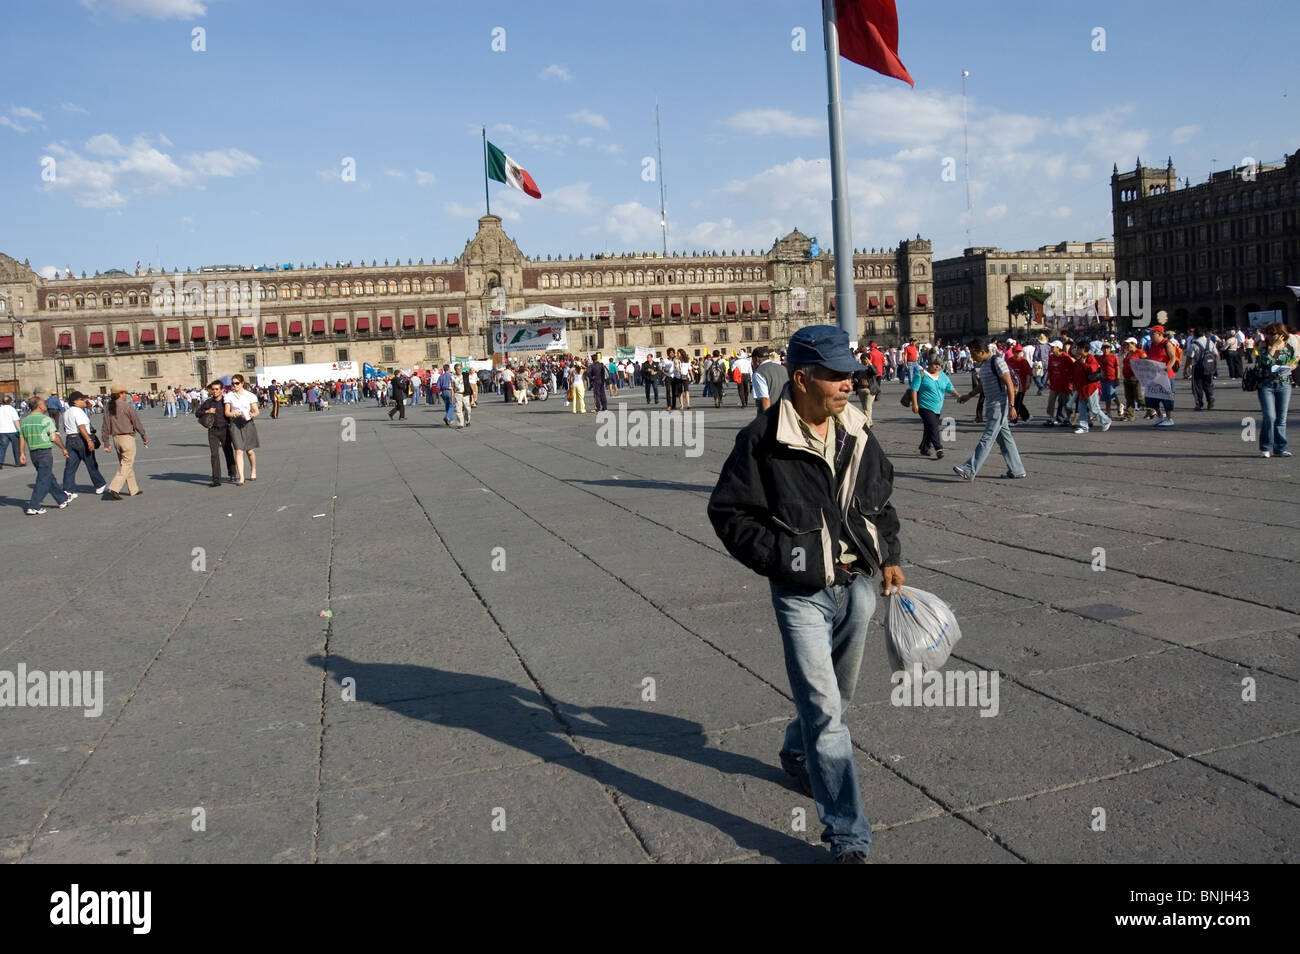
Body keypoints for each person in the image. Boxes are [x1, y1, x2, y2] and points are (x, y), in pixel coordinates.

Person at [707, 324, 905, 864]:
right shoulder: (762, 439)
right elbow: (729, 512)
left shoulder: (857, 429)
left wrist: (888, 554)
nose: (849, 383)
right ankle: (848, 835)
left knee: (835, 701)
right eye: (837, 375)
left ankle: (797, 754)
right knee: (825, 710)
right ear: (802, 379)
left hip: (858, 585)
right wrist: (787, 559)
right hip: (801, 593)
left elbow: (879, 498)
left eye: (851, 373)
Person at [953, 338, 1027, 480]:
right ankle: (1017, 470)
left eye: (974, 354)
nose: (972, 357)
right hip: (992, 405)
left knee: (987, 437)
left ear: (981, 351)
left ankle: (969, 469)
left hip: (999, 406)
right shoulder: (985, 365)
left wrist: (1012, 406)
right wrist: (968, 396)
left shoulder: (997, 362)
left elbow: (1009, 384)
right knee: (1005, 439)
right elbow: (982, 386)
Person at [17, 395, 70, 515]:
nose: (46, 406)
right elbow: (54, 436)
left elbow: (21, 438)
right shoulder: (45, 419)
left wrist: (21, 453)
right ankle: (34, 505)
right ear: (39, 406)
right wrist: (63, 448)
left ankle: (61, 499)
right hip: (44, 452)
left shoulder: (25, 421)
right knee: (43, 479)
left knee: (47, 476)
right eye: (44, 404)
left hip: (33, 453)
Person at [1257, 322, 1297, 458]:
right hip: (1266, 385)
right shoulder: (1263, 347)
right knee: (1269, 417)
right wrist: (1273, 347)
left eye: (1273, 333)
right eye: (1268, 333)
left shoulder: (1288, 348)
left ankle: (1281, 448)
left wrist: (1291, 367)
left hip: (1284, 385)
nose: (1269, 336)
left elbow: (1294, 361)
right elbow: (1265, 362)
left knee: (1281, 419)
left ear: (1281, 334)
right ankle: (1265, 447)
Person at [101, 387, 149, 500]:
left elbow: (105, 426)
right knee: (127, 464)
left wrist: (106, 442)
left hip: (116, 439)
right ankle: (114, 487)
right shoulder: (127, 406)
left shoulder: (108, 407)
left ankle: (133, 489)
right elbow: (136, 423)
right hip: (127, 438)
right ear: (121, 394)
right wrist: (144, 436)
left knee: (126, 464)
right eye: (124, 393)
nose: (125, 395)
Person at [60, 391, 107, 500]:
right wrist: (88, 440)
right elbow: (81, 427)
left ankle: (68, 490)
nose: (84, 401)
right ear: (75, 402)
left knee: (70, 466)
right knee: (91, 462)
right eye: (82, 399)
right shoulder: (78, 412)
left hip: (70, 438)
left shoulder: (66, 413)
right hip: (81, 438)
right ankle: (100, 485)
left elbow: (64, 428)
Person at [910, 350, 956, 458]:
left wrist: (959, 396)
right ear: (929, 364)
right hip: (924, 406)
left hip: (937, 407)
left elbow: (950, 387)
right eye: (935, 364)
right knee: (933, 426)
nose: (937, 367)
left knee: (928, 427)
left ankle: (924, 448)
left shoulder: (942, 375)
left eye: (939, 365)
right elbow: (914, 389)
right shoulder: (921, 374)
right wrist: (915, 404)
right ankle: (938, 448)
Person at [198, 380, 237, 486]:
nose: (214, 391)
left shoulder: (226, 401)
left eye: (217, 389)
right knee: (214, 454)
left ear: (221, 390)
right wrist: (207, 411)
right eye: (213, 389)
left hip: (225, 430)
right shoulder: (208, 402)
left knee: (228, 452)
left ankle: (232, 473)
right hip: (213, 431)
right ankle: (216, 479)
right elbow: (198, 413)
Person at [223, 373, 260, 485]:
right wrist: (233, 415)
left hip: (247, 422)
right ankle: (241, 477)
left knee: (249, 451)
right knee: (238, 450)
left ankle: (253, 469)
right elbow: (227, 412)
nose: (235, 385)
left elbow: (257, 411)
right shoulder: (229, 396)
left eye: (237, 383)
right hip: (235, 423)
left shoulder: (249, 395)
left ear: (242, 383)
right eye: (233, 383)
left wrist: (251, 414)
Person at [1071, 342, 1111, 434]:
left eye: (1078, 348)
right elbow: (1075, 372)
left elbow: (1093, 369)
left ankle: (1106, 421)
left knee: (1094, 408)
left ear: (1083, 349)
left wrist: (1084, 364)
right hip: (1082, 388)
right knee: (1081, 408)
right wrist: (1074, 385)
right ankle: (1084, 427)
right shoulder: (1080, 359)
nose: (1077, 350)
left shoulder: (1090, 358)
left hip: (1091, 388)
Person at [1144, 325, 1178, 427]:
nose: (1150, 335)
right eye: (1150, 333)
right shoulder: (1152, 344)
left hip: (1165, 375)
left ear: (1159, 334)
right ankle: (1160, 416)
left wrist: (1169, 367)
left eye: (1152, 333)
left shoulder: (1166, 344)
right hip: (1154, 375)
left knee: (1166, 397)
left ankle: (1169, 418)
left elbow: (1173, 358)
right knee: (1151, 397)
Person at [1186, 330, 1218, 411]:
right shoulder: (1210, 342)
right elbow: (1216, 354)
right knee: (1208, 384)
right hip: (1209, 367)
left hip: (1198, 367)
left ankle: (1200, 404)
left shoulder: (1194, 344)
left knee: (1197, 386)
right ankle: (1210, 399)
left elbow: (1189, 357)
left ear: (1194, 335)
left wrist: (1187, 368)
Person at [754, 346, 790, 416]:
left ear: (756, 359)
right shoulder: (783, 368)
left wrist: (766, 419)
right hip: (785, 411)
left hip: (771, 412)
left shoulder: (759, 372)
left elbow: (765, 398)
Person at [851, 352, 878, 424]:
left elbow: (875, 372)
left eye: (865, 359)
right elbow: (854, 376)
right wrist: (855, 379)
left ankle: (867, 424)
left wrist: (870, 364)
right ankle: (870, 422)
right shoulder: (859, 368)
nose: (864, 361)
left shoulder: (871, 367)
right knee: (865, 407)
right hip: (860, 390)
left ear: (868, 359)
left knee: (867, 408)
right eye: (862, 359)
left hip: (870, 390)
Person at [0, 395, 21, 468]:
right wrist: (19, 430)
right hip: (12, 430)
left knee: (2, 448)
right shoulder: (12, 409)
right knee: (16, 447)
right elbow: (15, 421)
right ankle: (18, 462)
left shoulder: (0, 409)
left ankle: (0, 462)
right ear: (10, 401)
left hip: (2, 431)